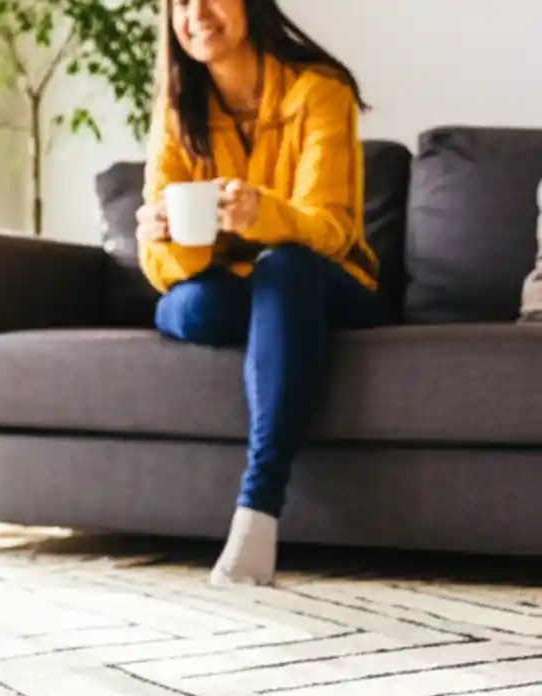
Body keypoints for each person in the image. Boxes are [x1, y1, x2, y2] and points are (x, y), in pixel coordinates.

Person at [136, 0, 381, 585]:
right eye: (179, 4)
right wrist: (165, 232)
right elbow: (159, 266)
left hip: (325, 279)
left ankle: (259, 505)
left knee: (284, 269)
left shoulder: (320, 91)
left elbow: (332, 228)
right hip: (239, 292)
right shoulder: (177, 109)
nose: (196, 14)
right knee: (189, 305)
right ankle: (280, 328)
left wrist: (260, 215)